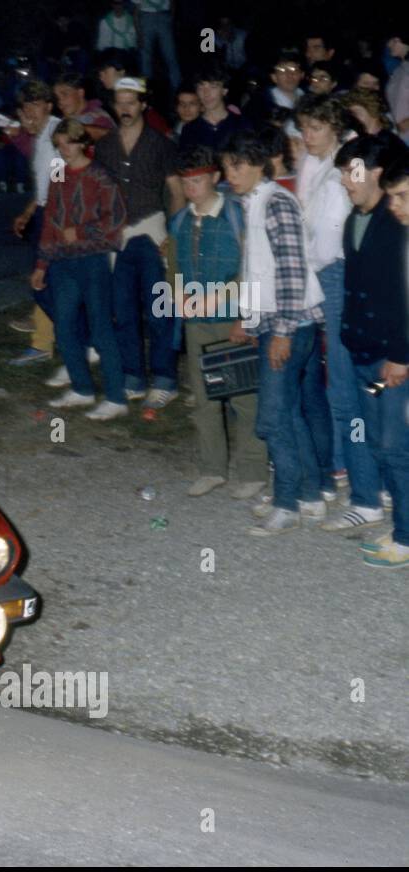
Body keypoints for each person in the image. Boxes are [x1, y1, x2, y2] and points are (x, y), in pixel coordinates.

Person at [220, 132, 330, 536]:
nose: (230, 174)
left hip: (291, 323)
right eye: (227, 166)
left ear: (258, 166)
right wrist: (248, 319)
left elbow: (292, 270)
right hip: (274, 321)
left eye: (238, 166)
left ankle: (286, 504)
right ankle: (312, 495)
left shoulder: (275, 202)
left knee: (272, 418)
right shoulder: (253, 203)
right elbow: (256, 268)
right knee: (291, 412)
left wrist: (281, 331)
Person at [296, 93, 378, 528]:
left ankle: (367, 496)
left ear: (335, 128)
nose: (306, 136)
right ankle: (354, 476)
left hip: (340, 277)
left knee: (347, 391)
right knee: (334, 386)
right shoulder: (315, 165)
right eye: (303, 127)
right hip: (323, 278)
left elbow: (337, 233)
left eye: (315, 128)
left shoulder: (350, 166)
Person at [166, 146, 267, 499]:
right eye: (185, 180)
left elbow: (253, 268)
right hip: (197, 321)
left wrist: (238, 312)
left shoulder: (237, 216)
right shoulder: (180, 221)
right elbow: (175, 266)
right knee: (204, 395)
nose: (191, 186)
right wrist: (177, 295)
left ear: (214, 178)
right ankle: (212, 468)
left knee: (242, 393)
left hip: (232, 319)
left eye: (197, 179)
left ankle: (253, 470)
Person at [94, 77, 183, 411]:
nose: (126, 109)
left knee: (160, 310)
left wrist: (172, 235)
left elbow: (175, 192)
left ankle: (165, 380)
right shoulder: (104, 147)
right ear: (114, 105)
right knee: (123, 311)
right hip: (118, 238)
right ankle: (133, 375)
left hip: (152, 232)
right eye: (121, 102)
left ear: (144, 104)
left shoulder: (161, 144)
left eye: (133, 102)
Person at [31, 119, 129, 420]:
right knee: (64, 325)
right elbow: (50, 219)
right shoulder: (58, 171)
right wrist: (41, 264)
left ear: (83, 142)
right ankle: (81, 388)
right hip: (62, 261)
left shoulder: (100, 175)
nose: (65, 150)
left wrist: (83, 232)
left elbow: (116, 219)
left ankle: (116, 398)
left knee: (101, 326)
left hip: (92, 259)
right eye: (59, 144)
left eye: (70, 143)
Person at [343, 146, 409, 566]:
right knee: (379, 439)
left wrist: (401, 356)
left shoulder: (397, 229)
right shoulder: (356, 220)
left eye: (403, 196)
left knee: (393, 443)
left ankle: (405, 537)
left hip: (394, 362)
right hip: (368, 354)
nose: (395, 204)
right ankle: (403, 521)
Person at [6, 82, 61, 367]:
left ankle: (74, 338)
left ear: (48, 107)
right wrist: (28, 214)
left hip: (57, 217)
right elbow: (42, 186)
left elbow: (62, 182)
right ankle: (46, 342)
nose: (30, 112)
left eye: (36, 105)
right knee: (41, 282)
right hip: (42, 213)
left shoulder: (56, 132)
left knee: (44, 283)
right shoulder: (40, 137)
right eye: (26, 107)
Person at [180, 67, 251, 151]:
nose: (206, 93)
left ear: (224, 90)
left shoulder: (241, 123)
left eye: (213, 87)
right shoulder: (190, 130)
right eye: (200, 87)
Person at [52, 71, 116, 142]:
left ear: (80, 93)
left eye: (65, 94)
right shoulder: (62, 119)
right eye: (57, 97)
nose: (60, 101)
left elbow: (114, 138)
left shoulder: (98, 117)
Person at [134, 0, 180, 90]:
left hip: (164, 16)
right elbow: (136, 11)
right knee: (145, 58)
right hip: (146, 17)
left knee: (170, 55)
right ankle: (144, 90)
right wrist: (138, 34)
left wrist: (171, 20)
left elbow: (173, 3)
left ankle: (177, 88)